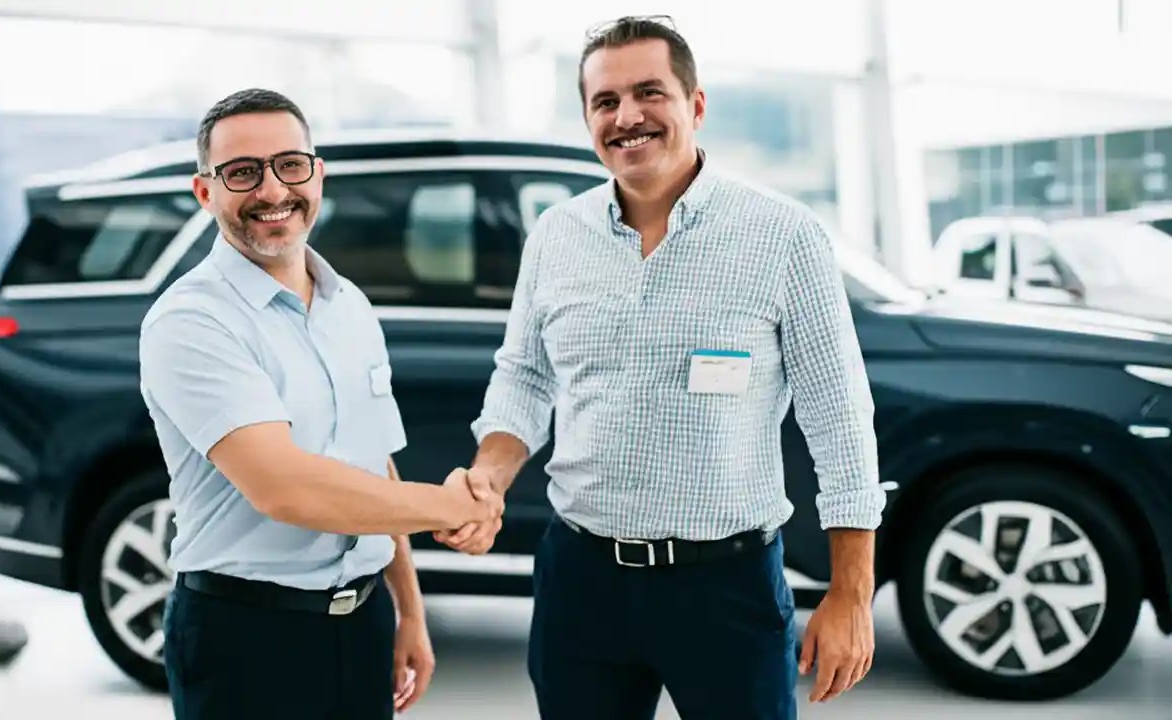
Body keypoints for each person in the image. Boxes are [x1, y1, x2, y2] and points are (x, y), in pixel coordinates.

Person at [437, 16, 885, 720]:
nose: (627, 117)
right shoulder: (556, 235)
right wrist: (488, 477)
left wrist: (851, 592)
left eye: (649, 92)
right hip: (580, 579)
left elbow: (839, 416)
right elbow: (524, 376)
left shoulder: (782, 235)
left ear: (695, 105)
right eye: (605, 101)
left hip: (727, 584)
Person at [138, 88, 501, 720]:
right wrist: (452, 507)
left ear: (318, 174)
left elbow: (374, 463)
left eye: (290, 165)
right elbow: (285, 488)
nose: (273, 190)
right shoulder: (191, 320)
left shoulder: (348, 305)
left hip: (362, 623)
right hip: (245, 638)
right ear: (205, 192)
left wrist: (408, 609)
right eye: (242, 172)